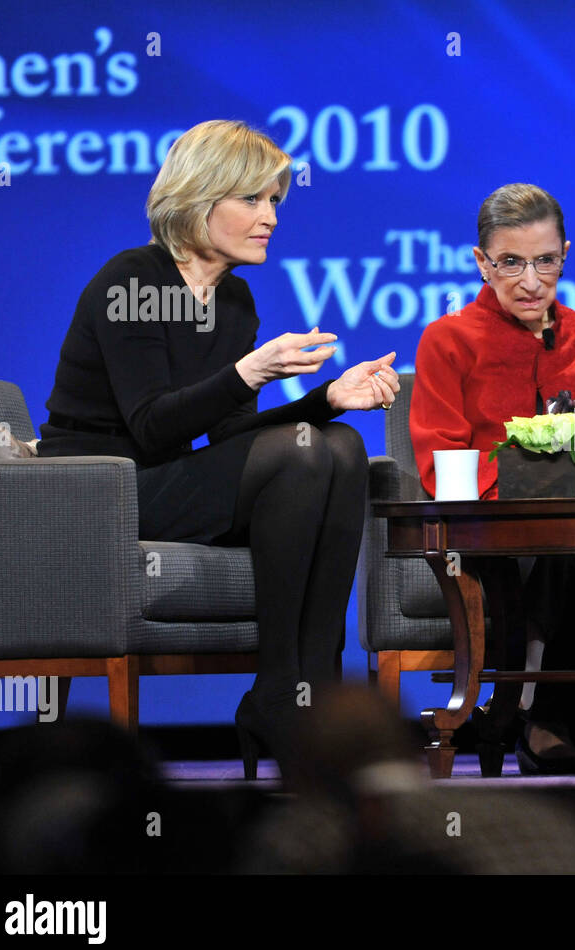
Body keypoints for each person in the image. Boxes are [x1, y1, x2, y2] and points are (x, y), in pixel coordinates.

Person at [37, 120, 400, 780]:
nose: (270, 219)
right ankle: (281, 691)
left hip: (170, 477)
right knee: (301, 452)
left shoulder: (233, 297)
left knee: (340, 446)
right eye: (253, 201)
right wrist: (250, 372)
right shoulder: (133, 281)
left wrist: (328, 400)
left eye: (275, 203)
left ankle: (311, 693)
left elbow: (236, 437)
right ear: (201, 198)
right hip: (103, 489)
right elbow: (150, 426)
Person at [410, 183, 575, 773]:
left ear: (565, 255)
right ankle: (538, 718)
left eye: (546, 261)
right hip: (490, 529)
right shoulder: (448, 341)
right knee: (572, 538)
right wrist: (522, 494)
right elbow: (441, 460)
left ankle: (531, 714)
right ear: (481, 262)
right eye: (511, 263)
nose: (530, 280)